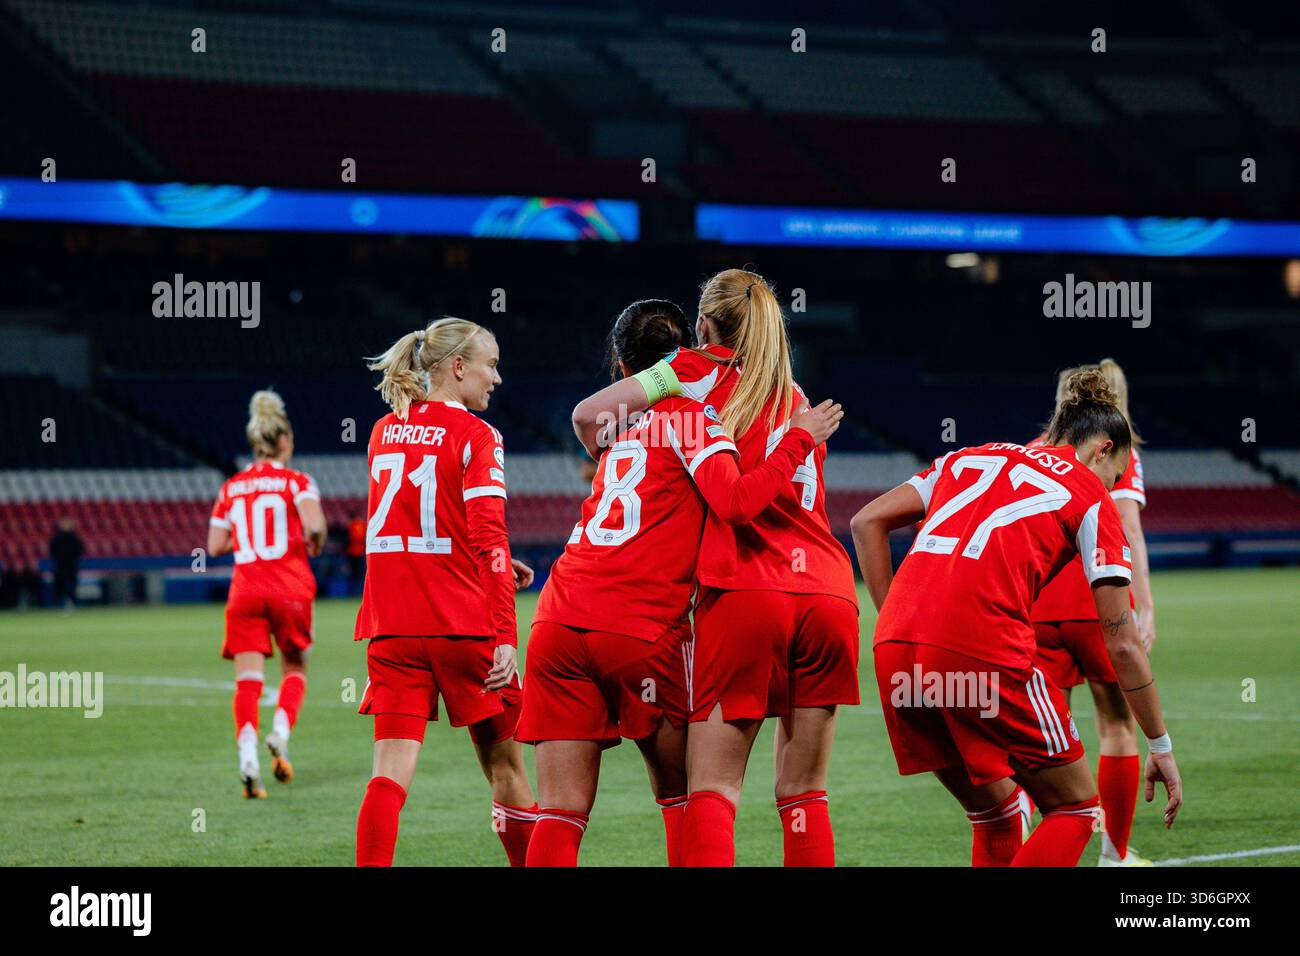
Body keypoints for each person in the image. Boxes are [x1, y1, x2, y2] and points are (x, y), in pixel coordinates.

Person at [517, 299, 843, 866]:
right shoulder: (697, 420)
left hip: (557, 617)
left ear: (624, 368)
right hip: (642, 627)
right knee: (690, 796)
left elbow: (586, 420)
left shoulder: (617, 432)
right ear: (686, 355)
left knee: (560, 810)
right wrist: (796, 439)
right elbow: (737, 501)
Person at [850, 368, 1182, 867]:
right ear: (1104, 449)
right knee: (1075, 807)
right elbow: (1123, 643)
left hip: (895, 649)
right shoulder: (1090, 493)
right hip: (978, 648)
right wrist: (1160, 744)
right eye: (1115, 475)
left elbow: (866, 520)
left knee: (999, 814)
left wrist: (900, 617)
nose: (1111, 486)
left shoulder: (969, 456)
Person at [354, 317, 537, 867]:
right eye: (491, 364)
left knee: (387, 777)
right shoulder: (479, 436)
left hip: (393, 630)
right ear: (458, 367)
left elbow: (418, 525)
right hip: (466, 629)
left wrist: (496, 564)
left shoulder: (385, 429)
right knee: (506, 770)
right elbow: (488, 536)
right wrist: (506, 633)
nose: (497, 378)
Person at [1029, 358, 1157, 866]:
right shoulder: (1113, 449)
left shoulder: (1031, 450)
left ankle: (1042, 843)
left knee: (1038, 736)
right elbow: (1126, 527)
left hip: (1037, 605)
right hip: (1096, 601)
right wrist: (1144, 604)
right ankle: (1114, 855)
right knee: (1117, 727)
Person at [207, 390, 326, 799]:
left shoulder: (232, 487)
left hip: (245, 590)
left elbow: (214, 545)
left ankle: (248, 759)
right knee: (295, 668)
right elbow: (314, 527)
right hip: (290, 587)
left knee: (247, 682)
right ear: (285, 441)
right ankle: (279, 732)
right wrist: (314, 544)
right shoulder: (298, 482)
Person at [49, 517, 84, 610]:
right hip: (60, 565)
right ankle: (61, 603)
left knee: (72, 585)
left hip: (72, 565)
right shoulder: (57, 538)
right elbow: (52, 550)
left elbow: (80, 548)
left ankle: (72, 602)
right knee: (61, 584)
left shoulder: (74, 537)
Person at [345, 512, 366, 594]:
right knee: (360, 574)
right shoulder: (363, 524)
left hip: (352, 553)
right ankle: (359, 592)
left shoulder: (351, 526)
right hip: (361, 552)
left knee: (353, 575)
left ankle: (352, 592)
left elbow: (348, 539)